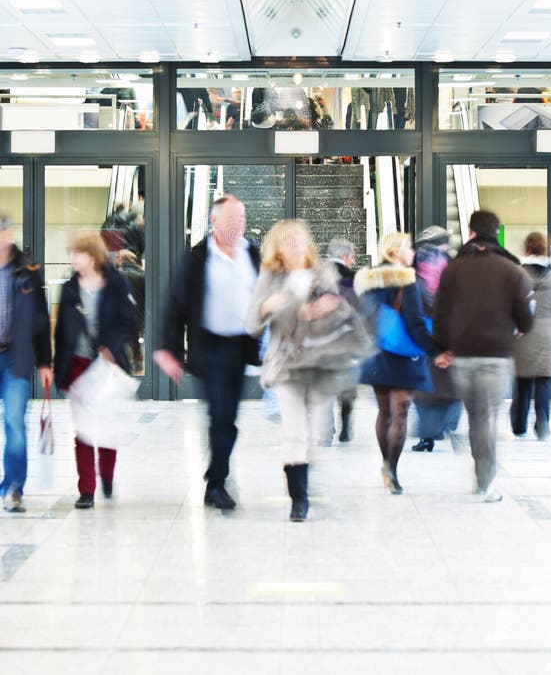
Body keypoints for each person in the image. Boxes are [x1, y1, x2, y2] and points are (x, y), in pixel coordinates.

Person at [246, 220, 370, 521]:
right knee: (294, 432)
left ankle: (300, 469)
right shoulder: (270, 277)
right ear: (277, 248)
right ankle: (298, 501)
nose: (294, 245)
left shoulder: (322, 272)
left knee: (317, 432)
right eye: (287, 241)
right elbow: (251, 323)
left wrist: (326, 308)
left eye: (299, 239)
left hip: (321, 363)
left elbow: (343, 311)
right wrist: (267, 307)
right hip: (287, 364)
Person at [155, 195, 260, 511]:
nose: (237, 225)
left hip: (240, 346)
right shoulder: (198, 257)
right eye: (231, 220)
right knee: (220, 416)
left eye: (241, 219)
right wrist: (167, 349)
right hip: (209, 347)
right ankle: (216, 485)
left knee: (229, 419)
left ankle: (216, 474)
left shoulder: (251, 253)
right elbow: (175, 304)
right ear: (214, 221)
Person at [433, 210, 533, 502]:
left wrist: (443, 347)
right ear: (496, 232)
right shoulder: (512, 270)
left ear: (472, 232)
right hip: (497, 356)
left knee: (476, 416)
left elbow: (440, 314)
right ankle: (484, 481)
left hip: (463, 356)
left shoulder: (453, 269)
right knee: (487, 418)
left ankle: (482, 476)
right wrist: (517, 331)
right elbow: (526, 319)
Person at [354, 232, 449, 496]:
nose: (413, 253)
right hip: (404, 354)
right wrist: (436, 351)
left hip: (376, 353)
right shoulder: (407, 281)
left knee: (385, 412)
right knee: (401, 411)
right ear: (395, 252)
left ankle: (386, 466)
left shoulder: (367, 280)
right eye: (408, 247)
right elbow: (415, 325)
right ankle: (392, 471)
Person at [53, 230, 136, 509]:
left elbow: (127, 321)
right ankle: (86, 489)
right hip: (78, 363)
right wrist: (61, 372)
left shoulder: (116, 283)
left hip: (107, 363)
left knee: (107, 426)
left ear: (92, 256)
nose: (73, 259)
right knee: (83, 431)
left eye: (78, 254)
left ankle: (107, 477)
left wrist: (111, 348)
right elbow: (62, 333)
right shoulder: (69, 288)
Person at [0, 211, 52, 513]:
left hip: (15, 358)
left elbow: (41, 320)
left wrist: (45, 361)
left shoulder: (27, 270)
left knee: (15, 423)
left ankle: (13, 487)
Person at [511, 232, 551, 440]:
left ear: (526, 250)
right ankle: (542, 421)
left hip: (522, 335)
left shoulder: (517, 275)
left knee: (522, 382)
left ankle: (519, 425)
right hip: (549, 336)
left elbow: (510, 305)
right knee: (543, 382)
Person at [411, 226, 462, 452]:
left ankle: (428, 435)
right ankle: (447, 424)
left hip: (421, 332)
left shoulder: (413, 267)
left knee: (425, 383)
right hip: (449, 330)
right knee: (450, 379)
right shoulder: (454, 266)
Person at [326, 237, 358, 442]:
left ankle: (326, 427)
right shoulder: (352, 277)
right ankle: (345, 427)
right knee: (346, 385)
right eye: (352, 257)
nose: (354, 261)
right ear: (344, 256)